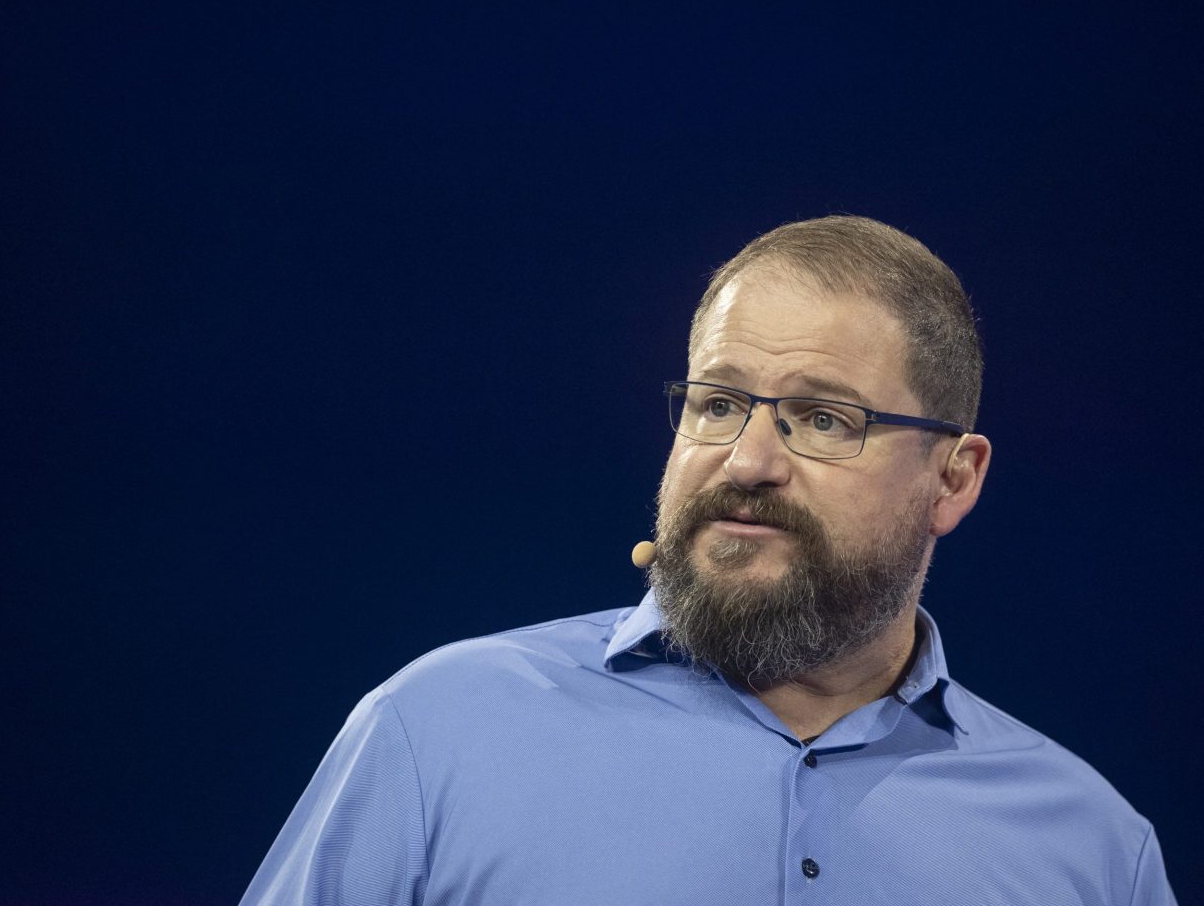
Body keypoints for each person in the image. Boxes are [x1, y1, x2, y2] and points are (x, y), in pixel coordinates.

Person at [240, 215, 1176, 905]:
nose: (748, 462)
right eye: (718, 402)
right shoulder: (435, 733)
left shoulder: (1093, 854)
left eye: (823, 419)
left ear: (955, 477)